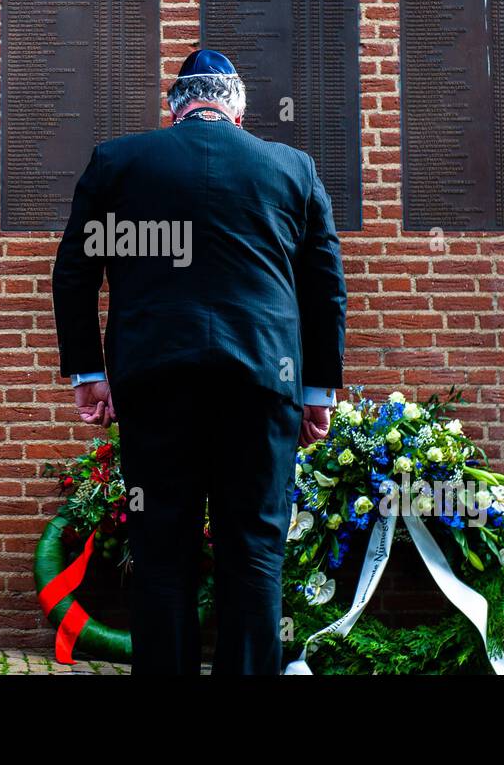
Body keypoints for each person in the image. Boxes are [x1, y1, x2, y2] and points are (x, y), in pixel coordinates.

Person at [52, 48, 347, 674]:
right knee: (255, 552)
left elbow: (75, 272)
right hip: (264, 383)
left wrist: (89, 374)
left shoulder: (121, 162)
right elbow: (325, 287)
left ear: (176, 106)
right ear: (237, 113)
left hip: (156, 383)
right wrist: (316, 390)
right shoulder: (293, 170)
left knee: (160, 551)